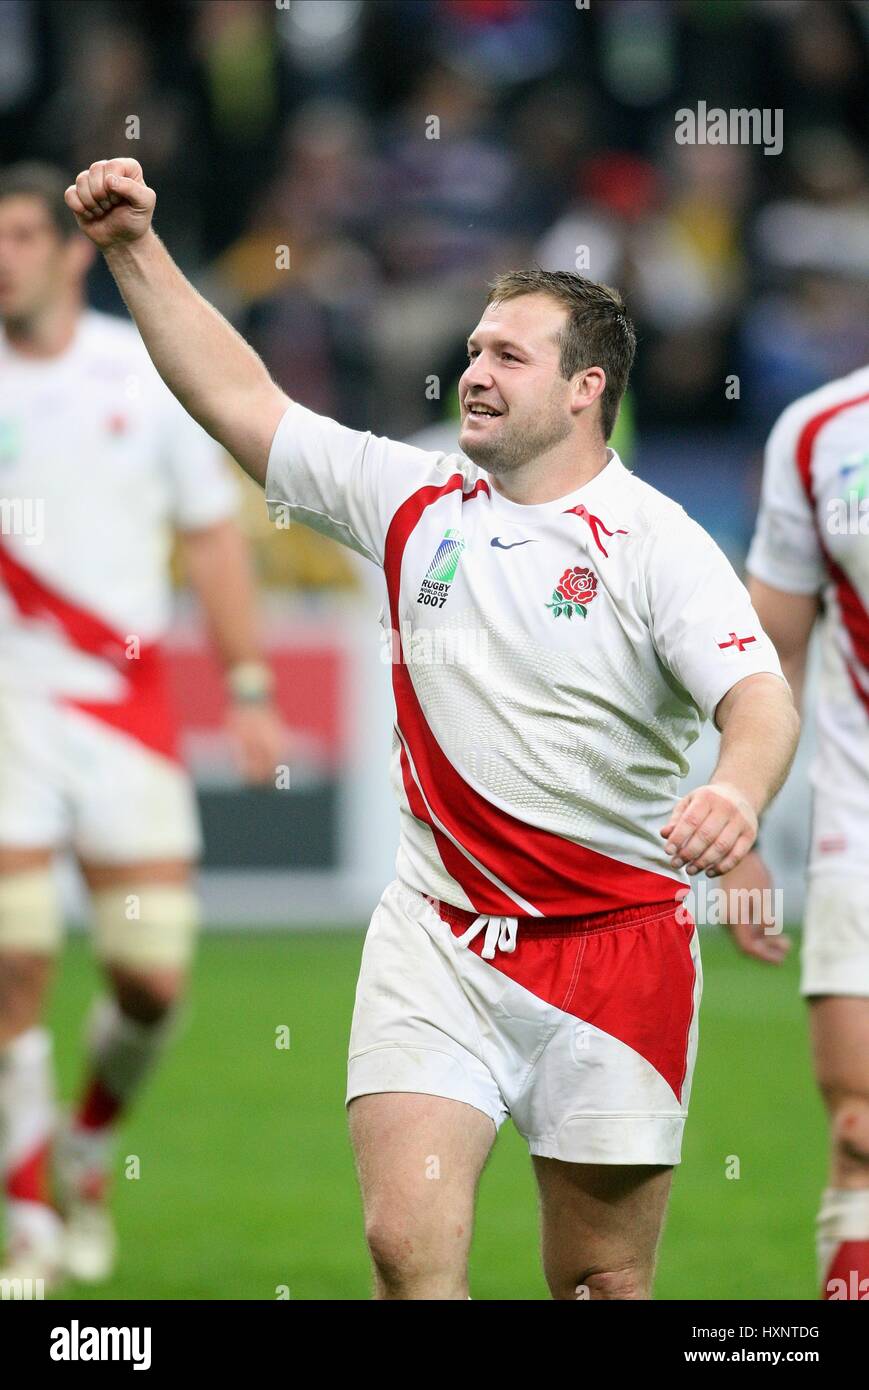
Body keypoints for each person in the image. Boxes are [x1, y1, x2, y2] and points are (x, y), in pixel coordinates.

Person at [63, 157, 799, 1301]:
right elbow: (242, 401)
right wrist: (132, 249)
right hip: (438, 934)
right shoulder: (409, 500)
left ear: (583, 389)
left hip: (615, 947)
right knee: (406, 1254)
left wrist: (738, 794)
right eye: (470, 350)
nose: (474, 370)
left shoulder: (656, 545)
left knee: (601, 1283)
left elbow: (758, 701)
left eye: (508, 354)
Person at [0, 162, 284, 1287]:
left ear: (72, 252)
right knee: (15, 964)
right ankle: (25, 1222)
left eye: (23, 235)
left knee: (150, 979)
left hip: (123, 714)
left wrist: (250, 686)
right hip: (7, 715)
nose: (5, 256)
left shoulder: (140, 372)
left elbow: (211, 536)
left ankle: (85, 1145)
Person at [723, 365, 869, 1299]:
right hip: (859, 825)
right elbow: (767, 645)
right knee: (859, 1124)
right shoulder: (821, 434)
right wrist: (741, 822)